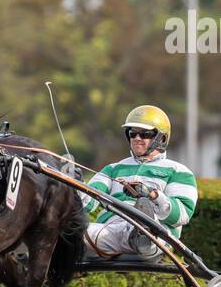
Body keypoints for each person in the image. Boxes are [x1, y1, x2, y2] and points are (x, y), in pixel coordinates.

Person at [82, 105, 198, 259]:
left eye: (144, 134)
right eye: (132, 133)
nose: (137, 138)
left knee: (144, 220)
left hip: (158, 235)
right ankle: (139, 233)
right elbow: (88, 203)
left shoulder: (179, 171)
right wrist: (72, 185)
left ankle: (142, 231)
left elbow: (182, 215)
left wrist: (153, 195)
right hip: (109, 233)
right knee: (72, 233)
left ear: (161, 138)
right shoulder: (112, 168)